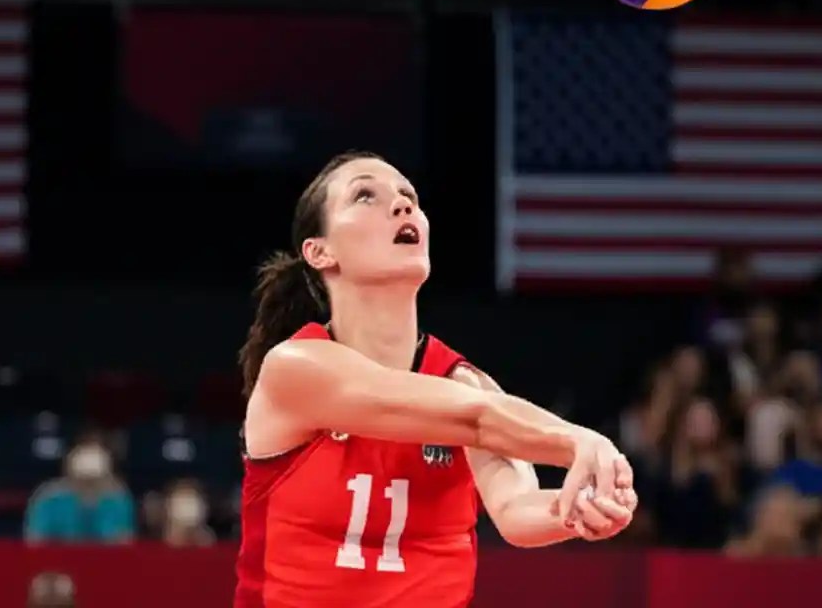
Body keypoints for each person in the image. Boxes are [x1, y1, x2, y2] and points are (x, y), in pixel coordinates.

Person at [234, 152, 638, 607]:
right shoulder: (294, 368)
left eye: (409, 195)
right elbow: (475, 420)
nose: (403, 205)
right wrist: (579, 442)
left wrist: (577, 507)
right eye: (365, 195)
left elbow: (514, 510)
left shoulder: (466, 385)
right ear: (319, 251)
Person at [25, 441, 135, 544]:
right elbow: (36, 544)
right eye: (83, 480)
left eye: (94, 480)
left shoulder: (119, 500)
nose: (88, 486)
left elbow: (124, 546)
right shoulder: (47, 500)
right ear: (69, 476)